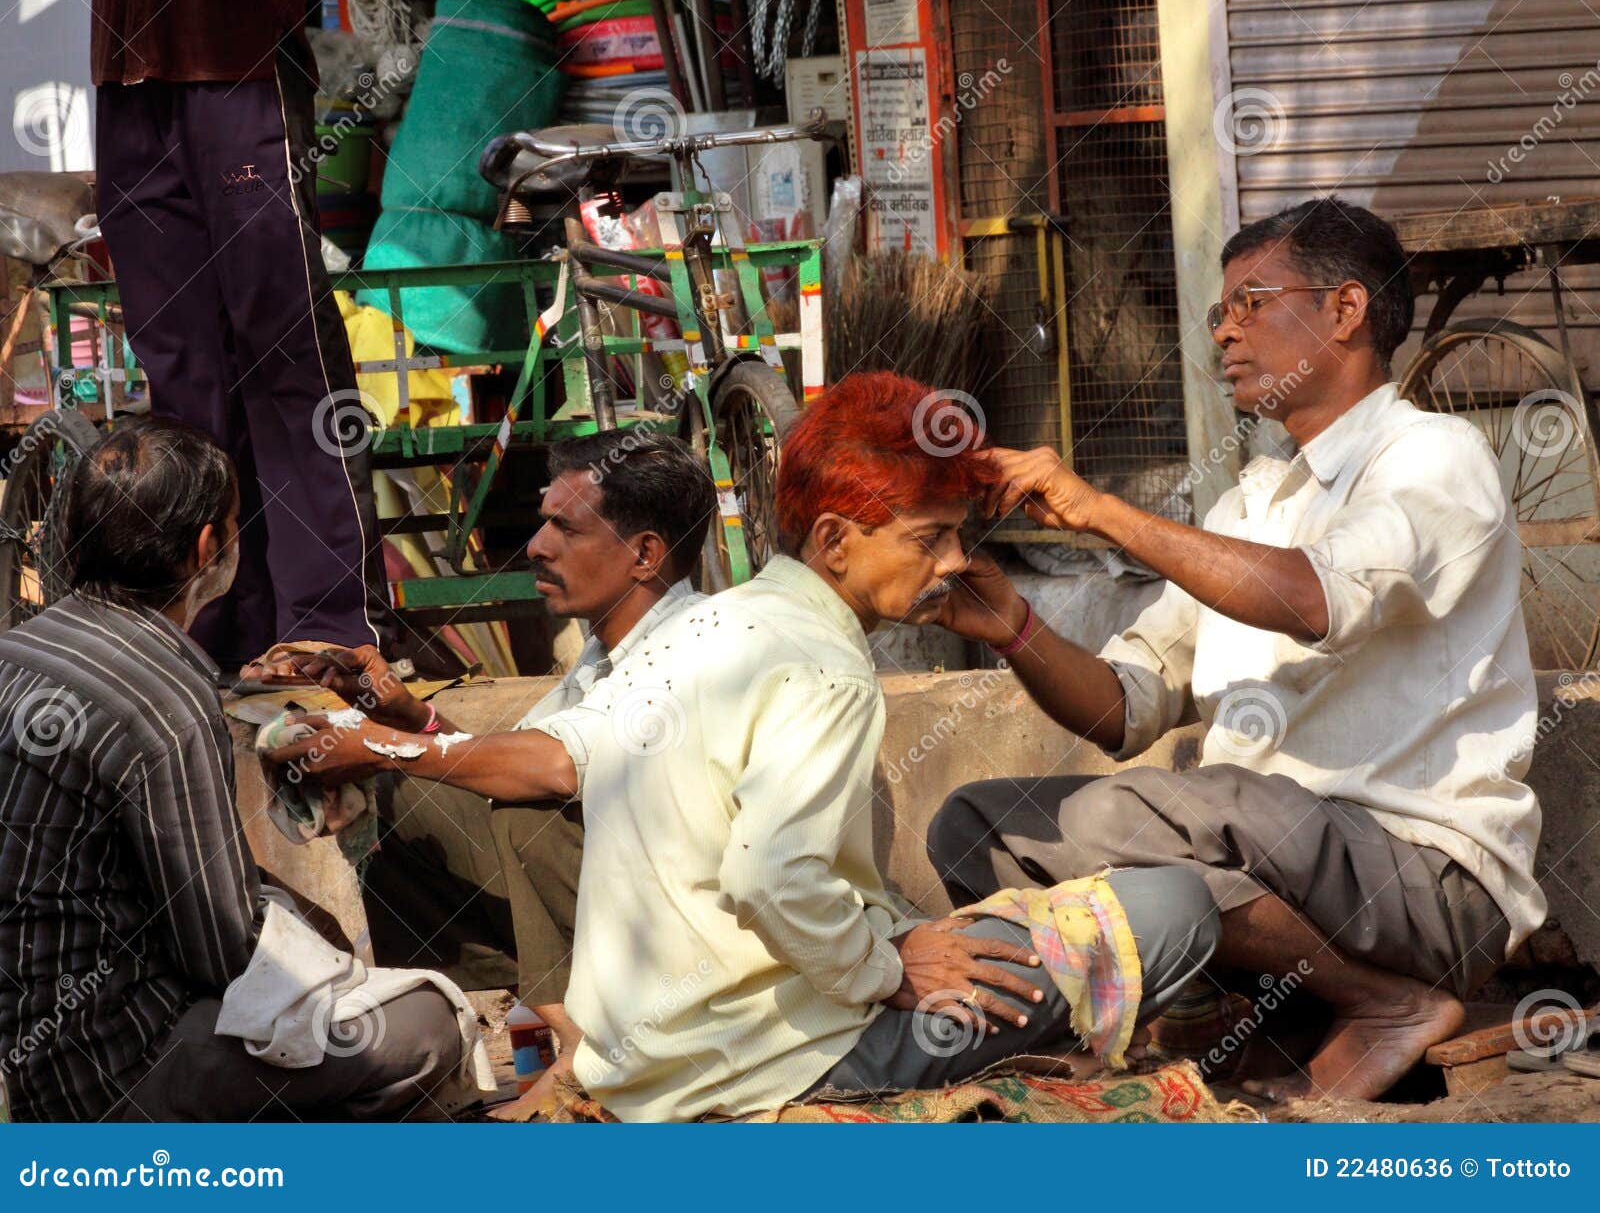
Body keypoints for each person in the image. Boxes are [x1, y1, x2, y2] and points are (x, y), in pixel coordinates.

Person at [267, 374, 1220, 1122]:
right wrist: (891, 969)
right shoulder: (829, 671)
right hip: (771, 1061)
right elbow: (771, 877)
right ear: (836, 540)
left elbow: (569, 760)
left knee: (988, 926)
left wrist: (388, 735)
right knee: (1172, 905)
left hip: (647, 1058)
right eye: (930, 538)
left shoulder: (707, 623)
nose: (954, 563)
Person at [927, 197, 1543, 1102]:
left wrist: (1101, 511)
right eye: (1221, 311)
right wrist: (1013, 625)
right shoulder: (1246, 505)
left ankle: (1384, 1001)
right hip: (1265, 864)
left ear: (1345, 309)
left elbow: (1315, 595)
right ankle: (1199, 1010)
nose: (1223, 330)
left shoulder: (1433, 456)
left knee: (1188, 807)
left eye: (1251, 302)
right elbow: (1123, 709)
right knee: (978, 829)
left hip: (1425, 884)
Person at [0, 419, 459, 1121]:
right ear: (208, 546)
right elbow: (221, 954)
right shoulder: (164, 702)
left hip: (33, 1044)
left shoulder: (22, 649)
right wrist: (320, 948)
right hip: (101, 1074)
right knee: (426, 1025)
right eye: (235, 525)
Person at [286, 430, 714, 1113]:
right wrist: (407, 717)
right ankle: (497, 1020)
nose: (537, 546)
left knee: (527, 811)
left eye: (565, 528)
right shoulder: (606, 646)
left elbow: (553, 766)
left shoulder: (688, 646)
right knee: (404, 797)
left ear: (644, 554)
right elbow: (516, 752)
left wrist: (378, 742)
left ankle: (585, 1052)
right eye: (543, 523)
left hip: (689, 932)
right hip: (620, 902)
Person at [91, 0, 392, 675]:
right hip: (124, 70)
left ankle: (332, 628)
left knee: (283, 346)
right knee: (182, 373)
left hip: (236, 54)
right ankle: (219, 627)